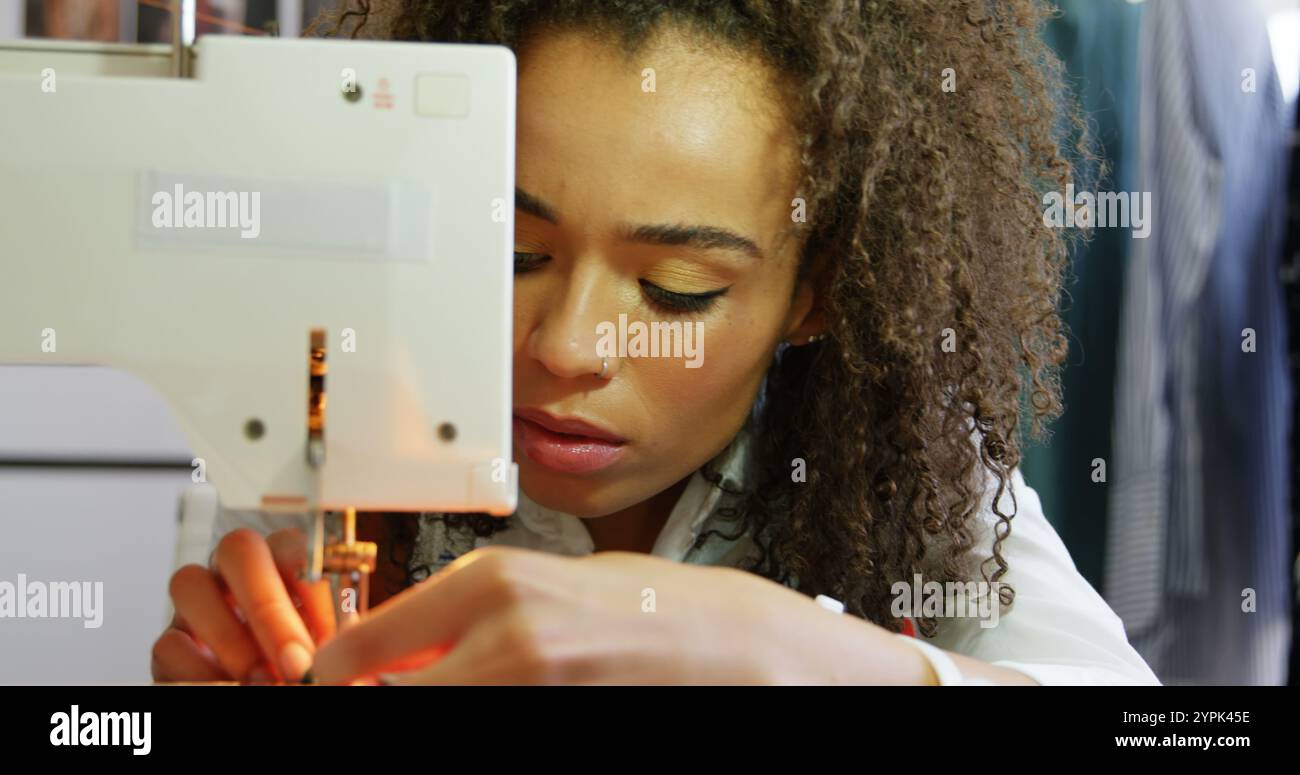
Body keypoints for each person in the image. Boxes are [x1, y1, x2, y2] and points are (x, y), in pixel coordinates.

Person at [152, 0, 1160, 685]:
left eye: (677, 291)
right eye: (509, 252)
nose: (567, 346)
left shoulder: (911, 479)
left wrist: (784, 650)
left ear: (813, 295)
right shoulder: (332, 434)